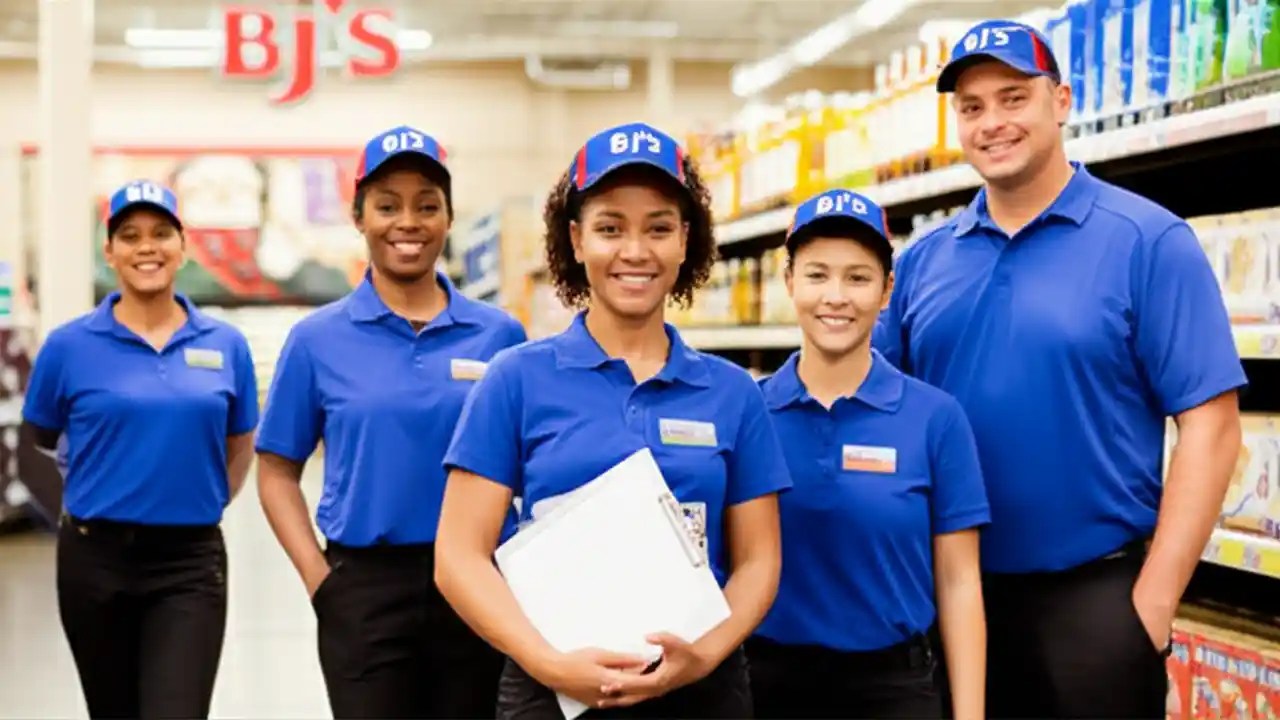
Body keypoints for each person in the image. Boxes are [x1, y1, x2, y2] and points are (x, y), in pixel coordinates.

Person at [874, 19, 1246, 719]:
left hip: (1094, 604)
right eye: (972, 107)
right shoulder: (925, 261)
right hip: (948, 601)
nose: (993, 123)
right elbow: (886, 415)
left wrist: (1153, 604)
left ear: (1062, 101)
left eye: (1014, 98)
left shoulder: (1147, 240)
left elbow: (1211, 426)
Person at [435, 121, 793, 719]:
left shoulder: (732, 393)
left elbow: (760, 560)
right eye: (609, 228)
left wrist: (701, 656)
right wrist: (546, 661)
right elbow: (458, 556)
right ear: (576, 241)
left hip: (700, 692)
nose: (635, 251)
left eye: (658, 228)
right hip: (552, 692)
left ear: (686, 240)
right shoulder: (515, 379)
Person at [254, 125, 528, 719]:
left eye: (427, 205)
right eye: (387, 205)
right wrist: (320, 581)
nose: (408, 221)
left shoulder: (500, 336)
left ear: (448, 218)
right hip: (364, 589)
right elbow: (276, 470)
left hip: (480, 582)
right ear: (359, 217)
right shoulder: (316, 340)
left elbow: (526, 465)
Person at [21, 179, 259, 719]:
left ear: (182, 244)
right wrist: (77, 499)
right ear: (109, 252)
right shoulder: (69, 346)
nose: (146, 247)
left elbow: (241, 440)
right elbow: (37, 439)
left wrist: (213, 496)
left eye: (160, 233)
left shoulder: (224, 345)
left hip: (189, 564)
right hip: (93, 559)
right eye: (129, 236)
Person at [748, 188, 989, 720]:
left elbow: (959, 581)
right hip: (766, 687)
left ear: (887, 291)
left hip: (894, 690)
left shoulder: (935, 419)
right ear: (789, 282)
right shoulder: (749, 415)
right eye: (817, 275)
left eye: (858, 277)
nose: (836, 295)